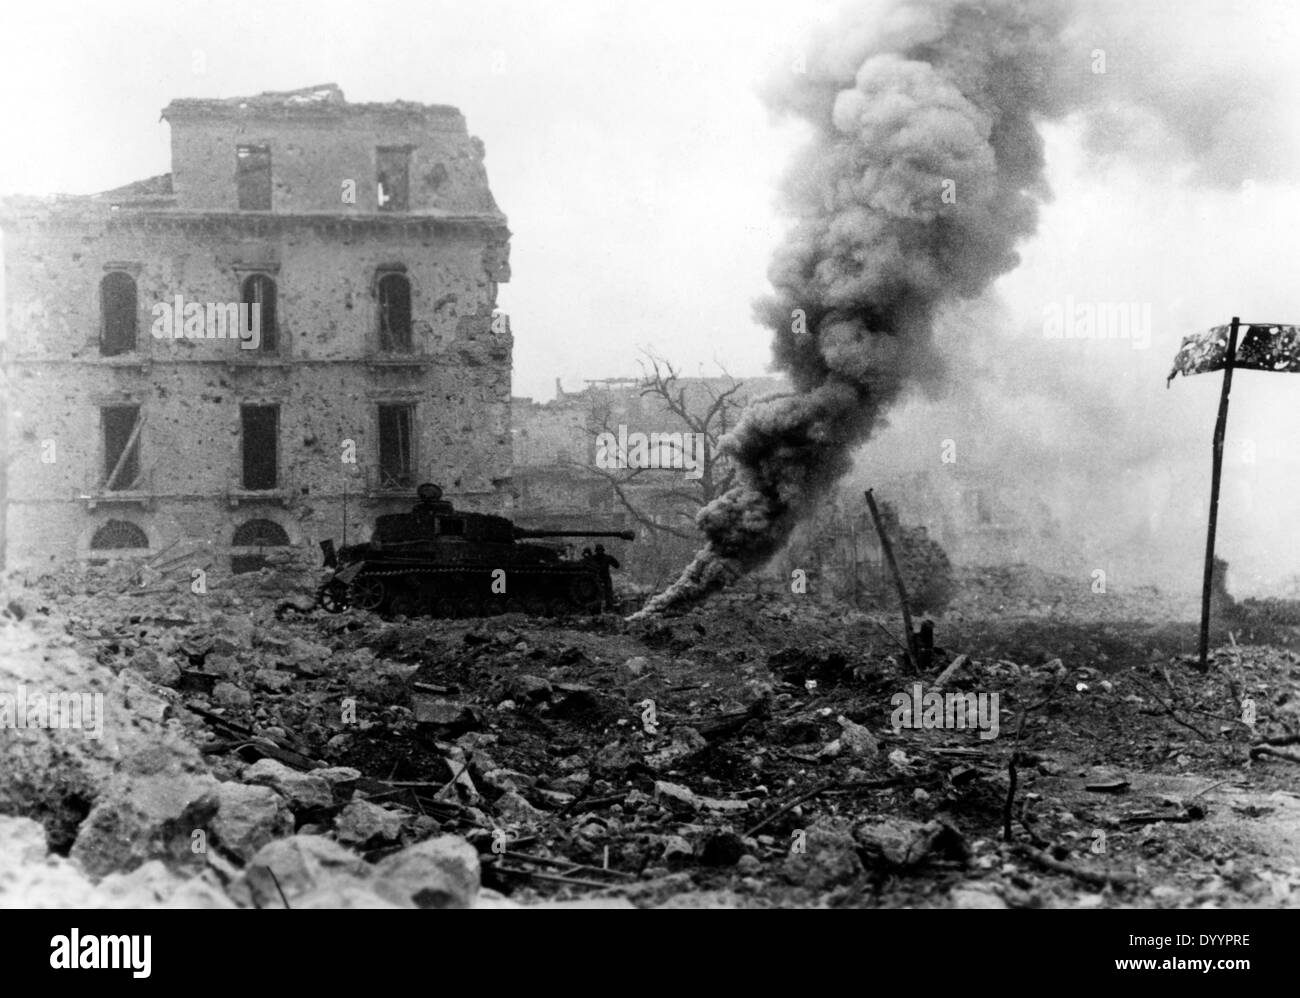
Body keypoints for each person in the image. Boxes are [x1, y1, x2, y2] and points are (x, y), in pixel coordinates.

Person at [592, 544, 621, 611]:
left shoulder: (606, 558)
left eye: (600, 550)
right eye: (598, 550)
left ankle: (608, 608)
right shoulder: (595, 558)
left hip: (604, 578)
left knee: (607, 594)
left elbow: (617, 565)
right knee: (598, 594)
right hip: (597, 578)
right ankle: (599, 609)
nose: (599, 552)